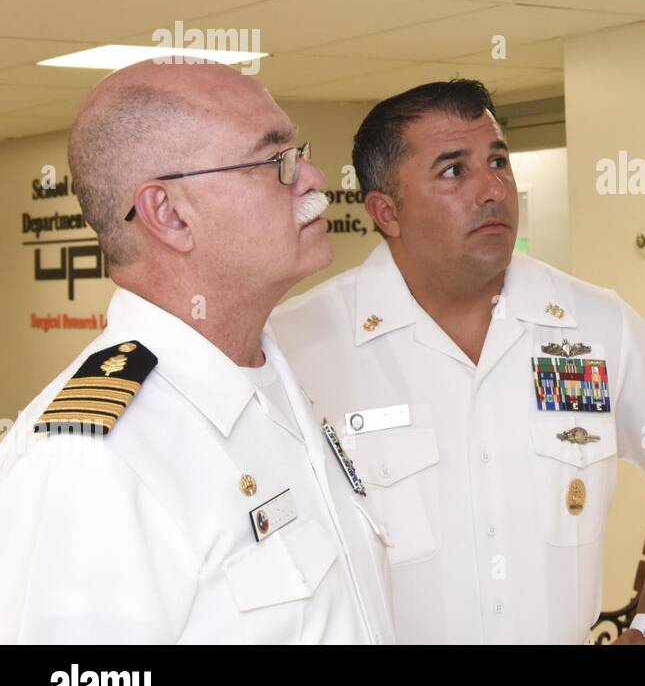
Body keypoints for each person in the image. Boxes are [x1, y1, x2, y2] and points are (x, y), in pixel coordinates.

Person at [270, 79, 645, 644]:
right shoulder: (298, 346)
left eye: (498, 161)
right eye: (454, 170)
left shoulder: (592, 323)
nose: (492, 188)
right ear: (386, 212)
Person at [0, 59, 394, 644]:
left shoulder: (270, 377)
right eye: (275, 161)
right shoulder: (93, 459)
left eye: (300, 151)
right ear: (169, 214)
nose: (312, 177)